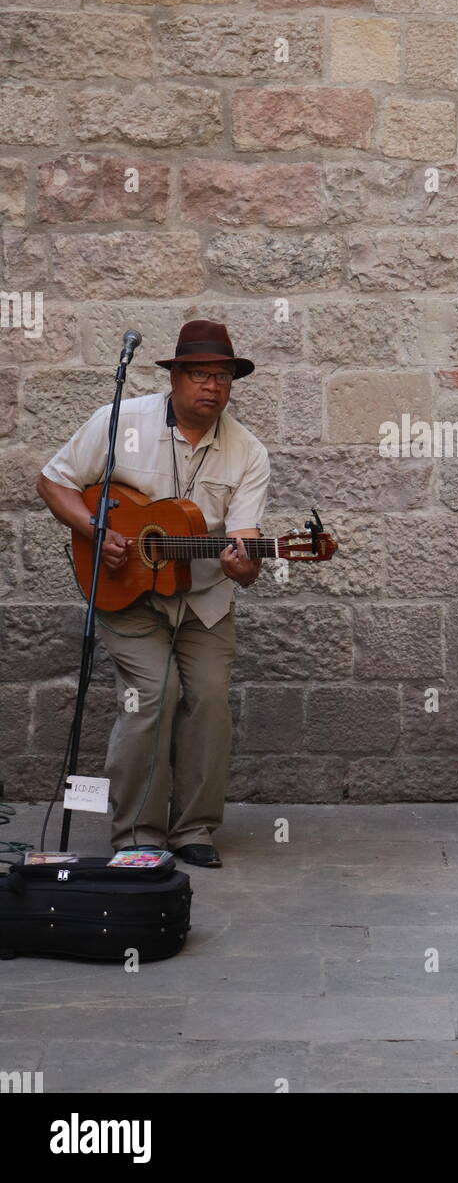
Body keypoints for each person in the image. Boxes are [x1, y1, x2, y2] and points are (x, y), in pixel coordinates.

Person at [36, 320, 270, 869]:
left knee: (209, 701)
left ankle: (193, 829)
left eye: (223, 376)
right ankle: (138, 833)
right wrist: (98, 530)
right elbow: (54, 481)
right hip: (129, 595)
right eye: (200, 374)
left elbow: (246, 548)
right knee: (154, 699)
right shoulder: (123, 421)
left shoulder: (247, 452)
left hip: (205, 599)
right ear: (176, 377)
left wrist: (246, 565)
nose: (212, 386)